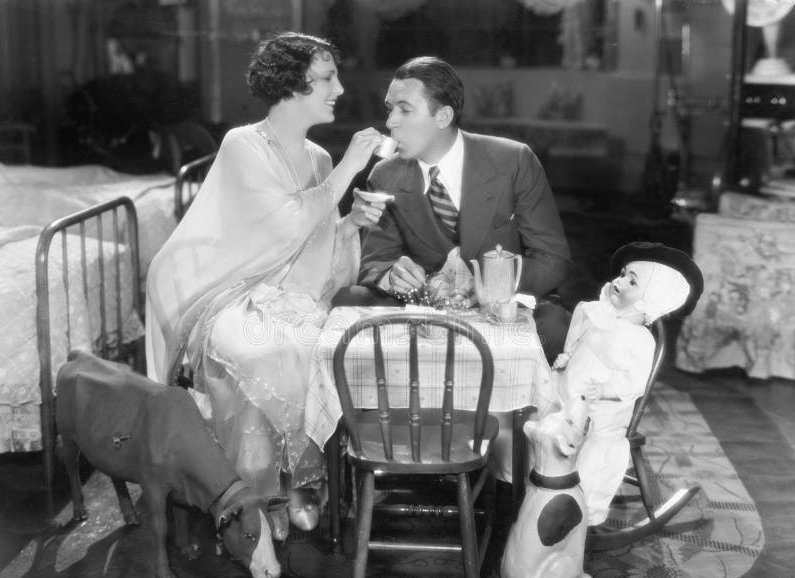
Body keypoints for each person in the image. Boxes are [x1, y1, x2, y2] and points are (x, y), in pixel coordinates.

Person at [144, 32, 385, 531]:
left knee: (312, 346)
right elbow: (283, 226)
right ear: (293, 85)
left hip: (292, 296)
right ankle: (255, 497)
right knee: (261, 352)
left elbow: (313, 248)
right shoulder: (242, 145)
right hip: (227, 291)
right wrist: (349, 170)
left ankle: (300, 479)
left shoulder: (319, 159)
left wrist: (351, 224)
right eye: (327, 78)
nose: (339, 88)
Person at [346, 55, 573, 362]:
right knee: (354, 311)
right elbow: (376, 263)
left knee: (554, 329)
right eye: (390, 110)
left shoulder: (514, 160)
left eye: (404, 110)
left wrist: (489, 286)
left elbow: (552, 258)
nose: (390, 122)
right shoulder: (384, 175)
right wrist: (392, 275)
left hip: (505, 306)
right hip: (427, 312)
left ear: (443, 116)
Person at [551, 241, 703, 525]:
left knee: (597, 449)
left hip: (604, 411)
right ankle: (545, 483)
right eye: (622, 274)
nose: (618, 281)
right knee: (549, 417)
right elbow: (579, 344)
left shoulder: (639, 339)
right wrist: (566, 357)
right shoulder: (597, 314)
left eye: (631, 281)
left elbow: (635, 383)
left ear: (650, 298)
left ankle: (582, 507)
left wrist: (607, 390)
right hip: (570, 393)